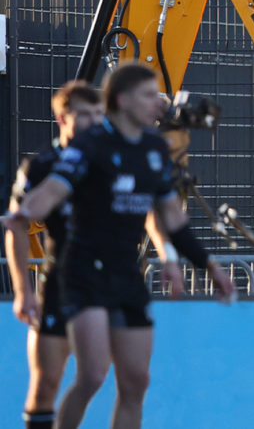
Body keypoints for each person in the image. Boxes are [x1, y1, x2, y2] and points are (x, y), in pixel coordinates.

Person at [4, 63, 235, 429]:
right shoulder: (85, 148)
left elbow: (169, 218)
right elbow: (54, 189)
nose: (158, 104)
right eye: (148, 95)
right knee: (88, 376)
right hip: (77, 273)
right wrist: (24, 215)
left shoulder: (154, 148)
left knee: (137, 382)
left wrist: (205, 264)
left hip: (125, 273)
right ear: (124, 100)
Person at [5, 82, 105, 429]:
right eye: (84, 114)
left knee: (98, 377)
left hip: (104, 287)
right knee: (46, 383)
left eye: (99, 114)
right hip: (59, 287)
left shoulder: (114, 162)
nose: (94, 122)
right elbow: (16, 225)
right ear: (62, 118)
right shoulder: (40, 167)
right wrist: (22, 290)